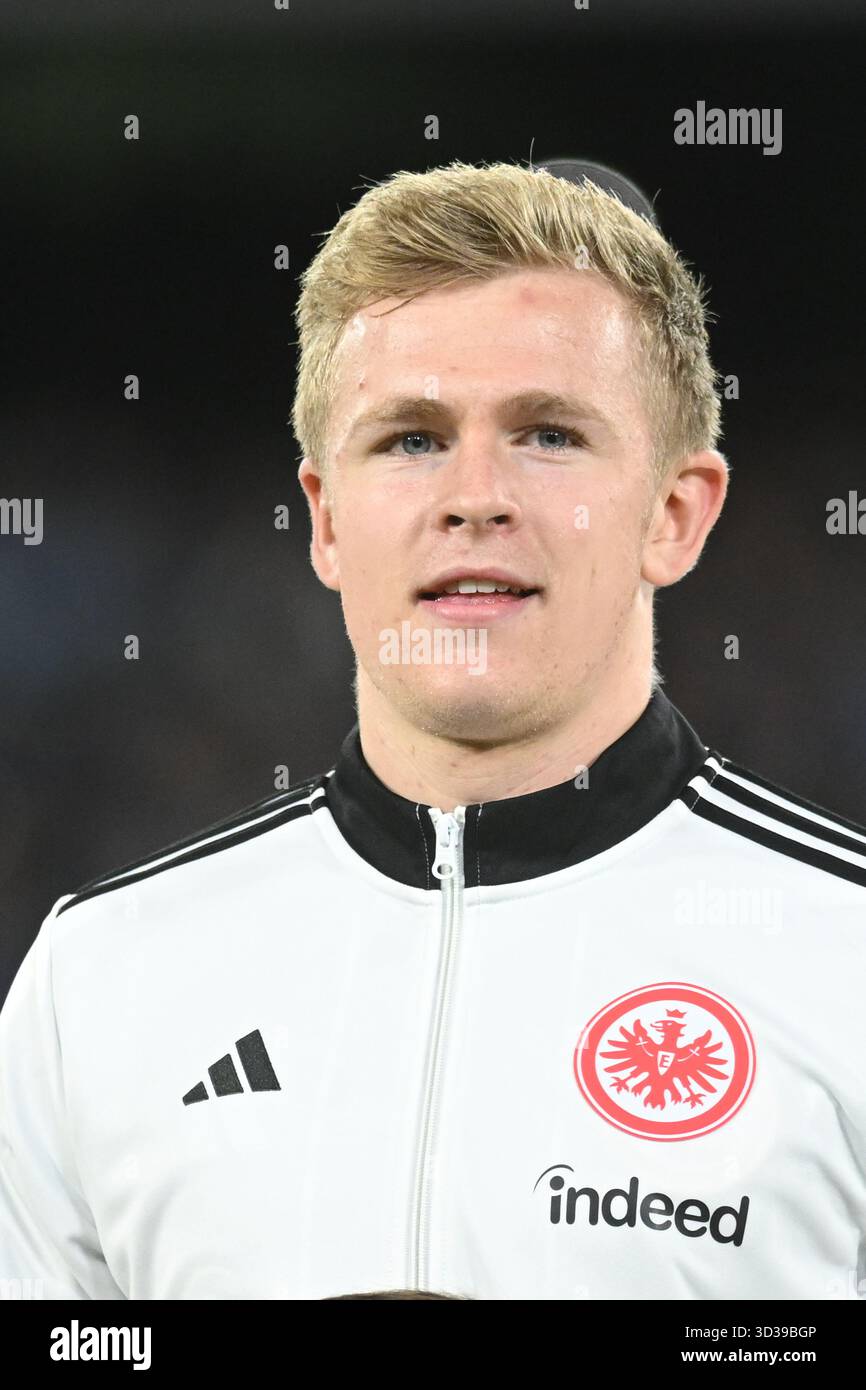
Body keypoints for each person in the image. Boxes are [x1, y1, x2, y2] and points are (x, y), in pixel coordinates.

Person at [1, 159, 864, 1301]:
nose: (473, 494)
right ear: (322, 520)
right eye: (409, 438)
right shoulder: (95, 980)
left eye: (548, 433)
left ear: (673, 513)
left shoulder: (840, 957)